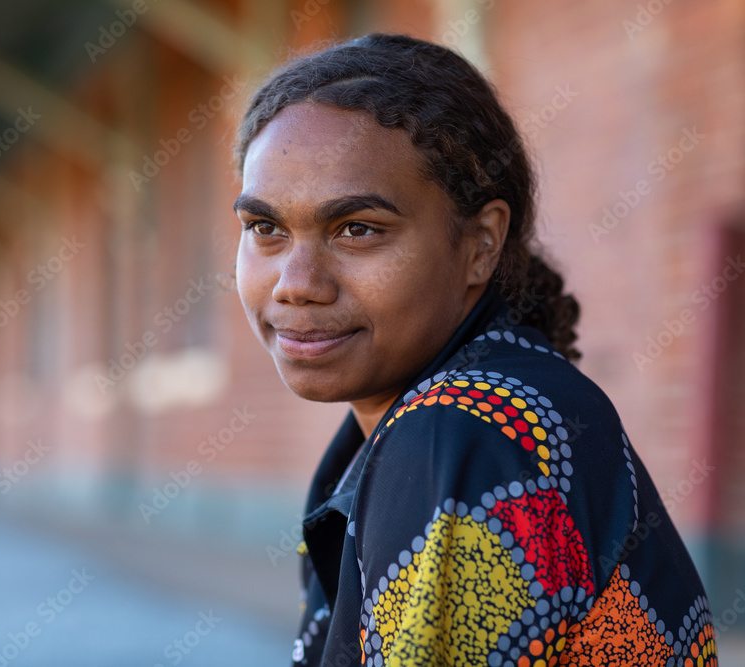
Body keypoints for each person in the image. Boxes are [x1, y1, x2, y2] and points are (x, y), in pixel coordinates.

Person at [231, 34, 716, 666]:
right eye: (265, 228)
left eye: (358, 230)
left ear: (482, 243)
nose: (296, 283)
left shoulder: (460, 430)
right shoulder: (472, 410)